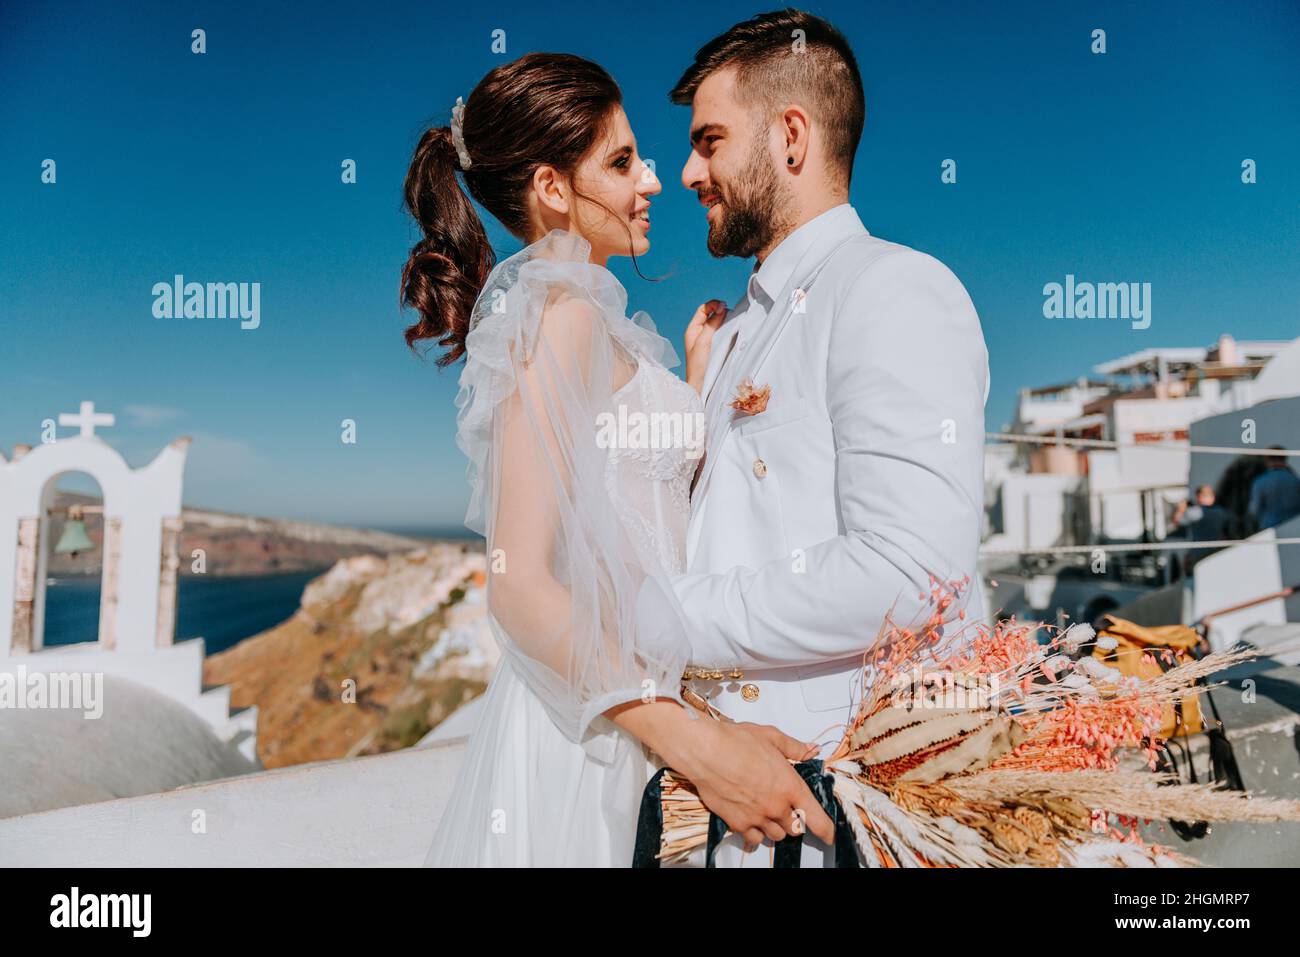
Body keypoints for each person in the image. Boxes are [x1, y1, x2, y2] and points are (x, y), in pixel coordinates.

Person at [404, 52, 835, 867]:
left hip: (638, 710)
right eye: (621, 161)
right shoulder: (557, 318)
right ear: (552, 189)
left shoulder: (592, 322)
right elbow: (520, 583)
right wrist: (695, 743)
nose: (655, 180)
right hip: (597, 737)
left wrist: (693, 389)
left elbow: (635, 510)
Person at [649, 9, 990, 867]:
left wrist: (666, 618)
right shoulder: (727, 338)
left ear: (791, 137)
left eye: (710, 139)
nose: (688, 171)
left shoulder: (894, 290)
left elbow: (914, 572)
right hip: (724, 817)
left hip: (832, 824)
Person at [1172, 484, 1231, 573]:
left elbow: (1177, 521)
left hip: (1199, 555)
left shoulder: (1195, 512)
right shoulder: (1222, 512)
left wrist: (1181, 508)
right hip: (1218, 554)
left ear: (1199, 497)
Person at [1247, 447, 1300, 531]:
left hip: (1269, 527)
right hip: (1293, 527)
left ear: (1267, 460)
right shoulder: (1296, 481)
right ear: (1285, 459)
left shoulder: (1261, 481)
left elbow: (1254, 510)